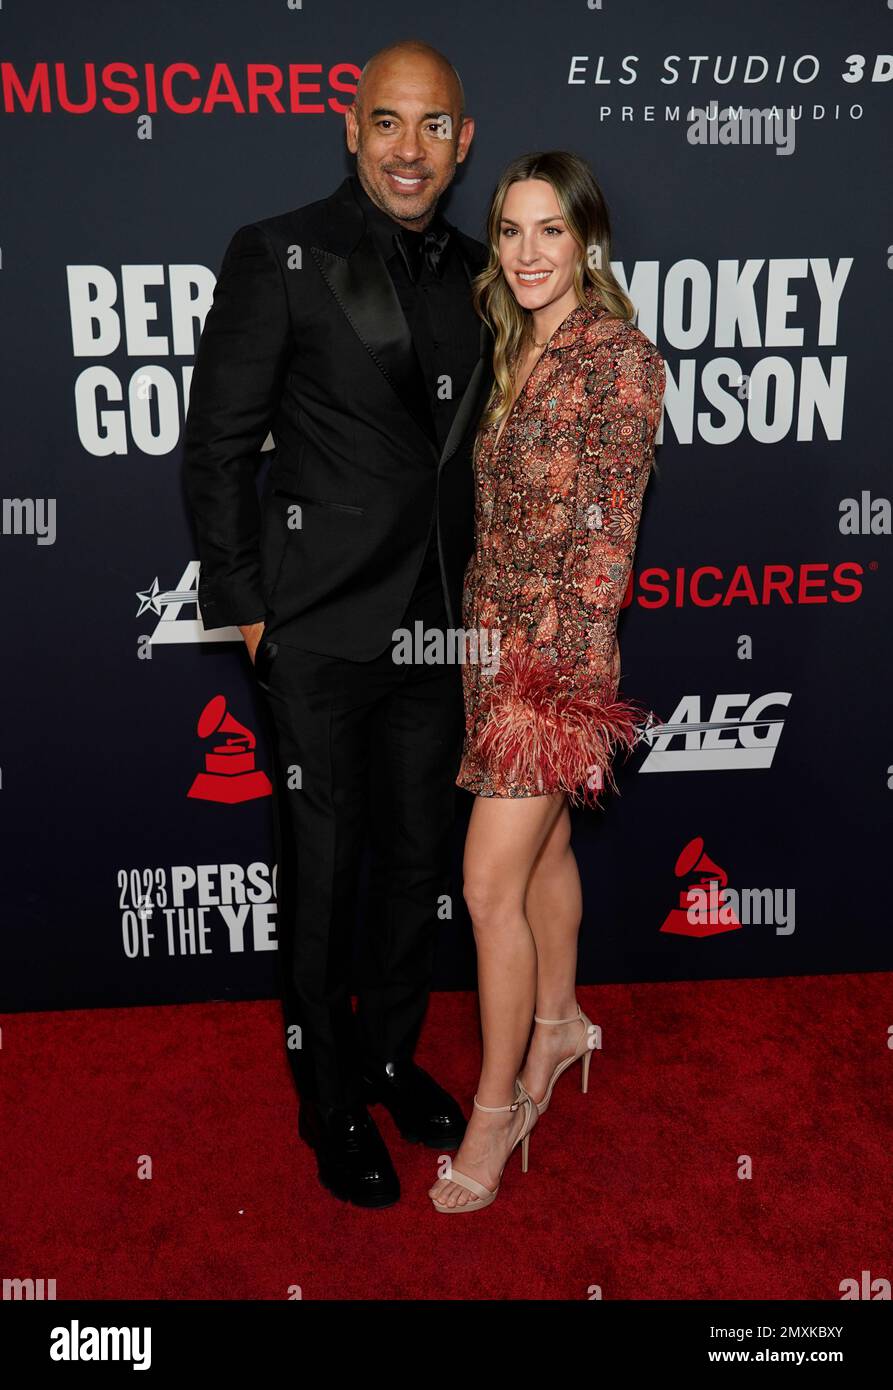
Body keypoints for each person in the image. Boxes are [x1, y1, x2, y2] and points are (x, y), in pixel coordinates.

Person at [182, 39, 493, 1208]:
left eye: (431, 128)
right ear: (348, 130)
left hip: (439, 633)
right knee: (322, 877)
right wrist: (250, 616)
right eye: (386, 124)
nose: (407, 150)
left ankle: (386, 1057)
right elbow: (215, 448)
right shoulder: (280, 255)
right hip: (314, 633)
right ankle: (327, 1106)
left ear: (461, 143)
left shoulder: (476, 275)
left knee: (417, 865)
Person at [428, 151, 666, 1212]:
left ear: (586, 242)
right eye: (510, 232)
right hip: (488, 643)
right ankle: (561, 1024)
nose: (526, 253)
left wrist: (550, 690)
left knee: (485, 887)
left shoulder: (617, 356)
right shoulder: (514, 340)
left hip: (552, 666)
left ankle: (495, 1109)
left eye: (549, 233)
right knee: (543, 854)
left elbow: (606, 544)